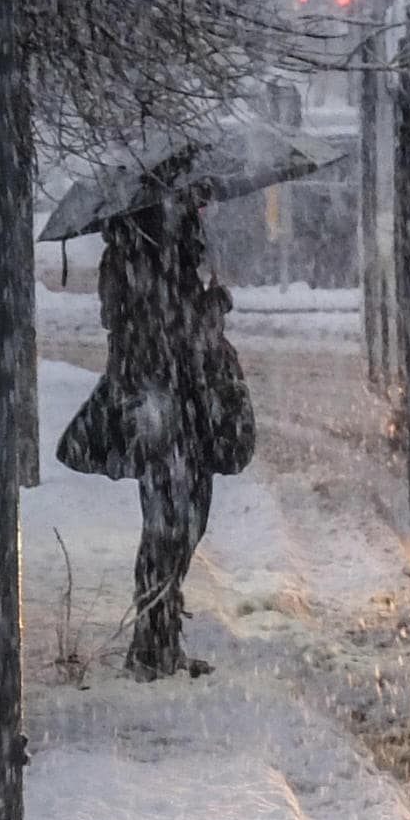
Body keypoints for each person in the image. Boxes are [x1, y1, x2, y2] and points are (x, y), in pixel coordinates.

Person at [58, 192, 255, 678]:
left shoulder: (153, 245)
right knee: (171, 525)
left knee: (178, 523)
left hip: (170, 401)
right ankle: (152, 648)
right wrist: (206, 313)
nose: (202, 204)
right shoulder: (143, 250)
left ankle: (159, 641)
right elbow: (153, 330)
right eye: (194, 199)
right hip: (164, 403)